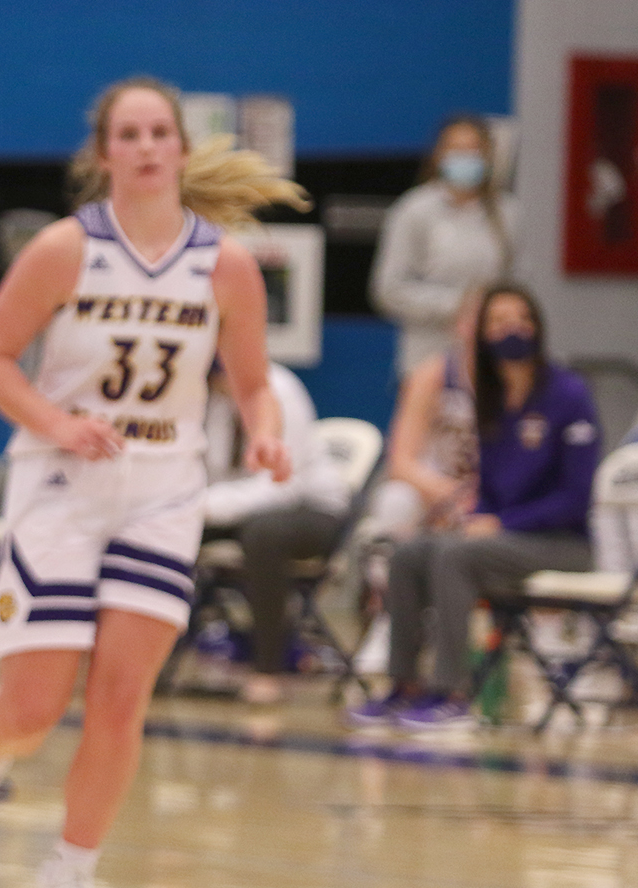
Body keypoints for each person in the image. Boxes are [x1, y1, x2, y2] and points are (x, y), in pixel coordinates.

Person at [0, 76, 300, 888]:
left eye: (161, 131)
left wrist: (268, 434)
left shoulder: (225, 263)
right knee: (35, 705)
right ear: (104, 154)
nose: (149, 146)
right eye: (130, 133)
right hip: (61, 482)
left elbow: (250, 384)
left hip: (164, 486)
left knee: (122, 698)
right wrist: (57, 422)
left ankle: (69, 881)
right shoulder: (63, 249)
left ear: (181, 149)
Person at [347, 284, 597, 731]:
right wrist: (473, 515)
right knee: (410, 553)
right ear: (480, 335)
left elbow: (575, 499)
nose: (512, 329)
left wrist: (501, 522)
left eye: (521, 319)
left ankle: (453, 692)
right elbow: (491, 485)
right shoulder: (492, 400)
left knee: (455, 555)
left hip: (563, 542)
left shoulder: (568, 393)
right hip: (507, 536)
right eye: (498, 322)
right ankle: (403, 685)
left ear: (538, 327)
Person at [201, 361, 351, 705]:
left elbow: (281, 488)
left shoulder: (280, 390)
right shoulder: (210, 399)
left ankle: (267, 668)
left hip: (313, 511)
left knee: (263, 534)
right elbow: (212, 472)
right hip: (241, 508)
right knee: (162, 526)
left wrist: (202, 506)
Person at [351, 288, 483, 674]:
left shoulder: (519, 380)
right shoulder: (434, 374)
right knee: (394, 501)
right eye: (473, 318)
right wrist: (447, 496)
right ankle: (388, 617)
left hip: (490, 497)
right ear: (458, 324)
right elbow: (402, 461)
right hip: (436, 488)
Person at [372, 115, 516, 376]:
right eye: (456, 150)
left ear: (488, 155)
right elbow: (388, 290)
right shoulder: (414, 210)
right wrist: (458, 304)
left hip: (491, 359)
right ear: (439, 155)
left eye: (473, 150)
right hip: (428, 356)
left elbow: (518, 283)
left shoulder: (508, 214)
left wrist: (495, 312)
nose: (465, 158)